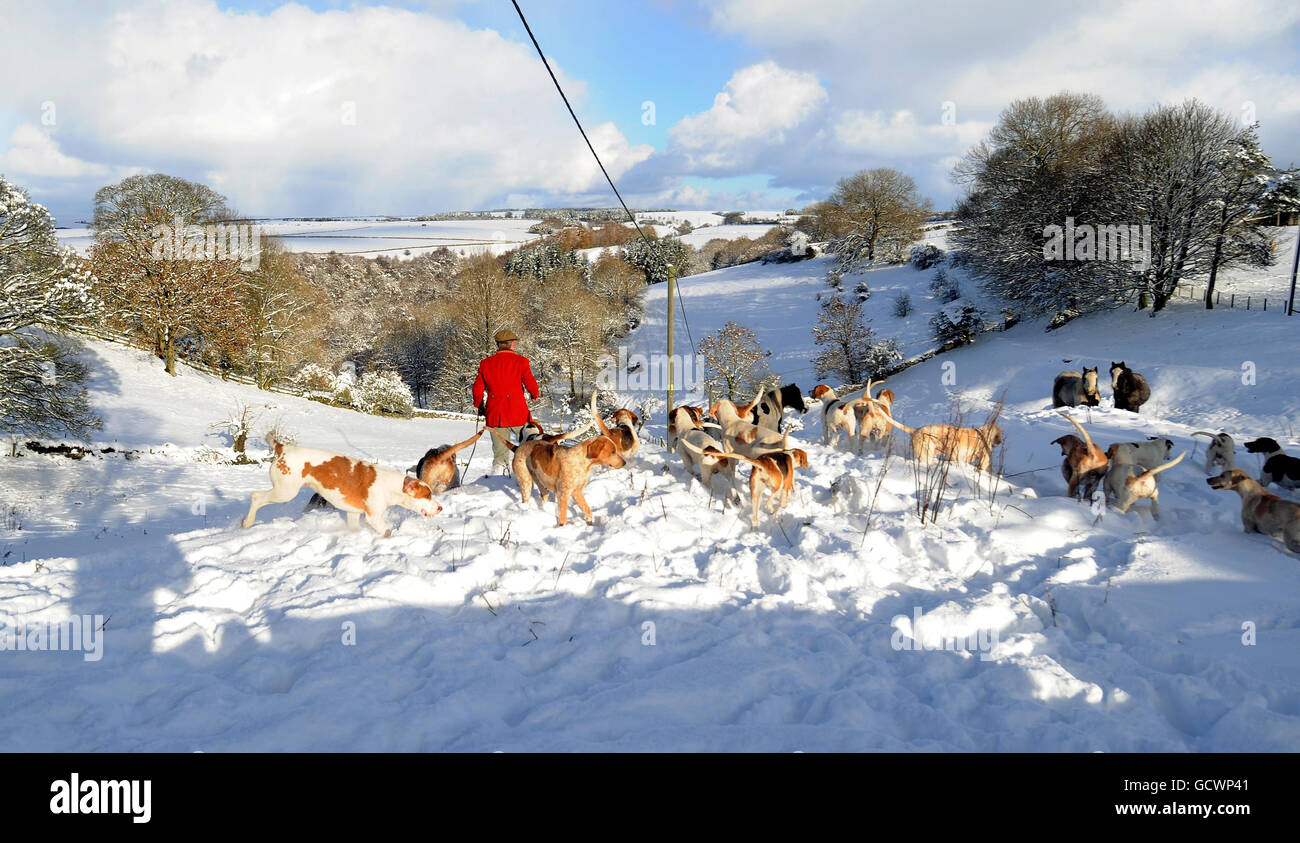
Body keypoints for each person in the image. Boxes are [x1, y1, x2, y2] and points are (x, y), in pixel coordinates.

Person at [472, 328, 540, 474]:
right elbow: (530, 382)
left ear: (498, 344)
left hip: (496, 414)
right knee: (528, 448)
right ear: (511, 344)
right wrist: (535, 395)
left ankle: (498, 479)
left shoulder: (485, 363)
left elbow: (477, 388)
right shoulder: (521, 361)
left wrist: (479, 404)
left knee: (500, 455)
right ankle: (528, 476)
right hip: (518, 413)